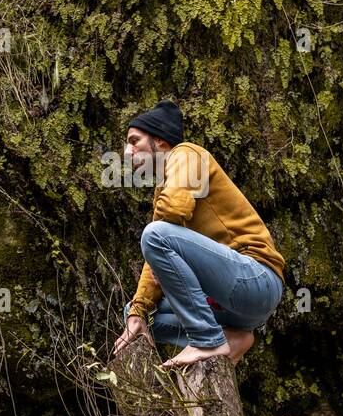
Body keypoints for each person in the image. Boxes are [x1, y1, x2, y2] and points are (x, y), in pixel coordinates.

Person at [111, 99, 285, 368]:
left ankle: (207, 339)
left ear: (160, 141)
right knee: (141, 314)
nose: (127, 152)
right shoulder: (165, 188)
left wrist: (161, 256)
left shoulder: (186, 153)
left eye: (134, 141)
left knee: (154, 235)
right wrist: (137, 311)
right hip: (231, 307)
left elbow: (170, 217)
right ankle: (232, 337)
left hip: (255, 279)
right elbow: (155, 250)